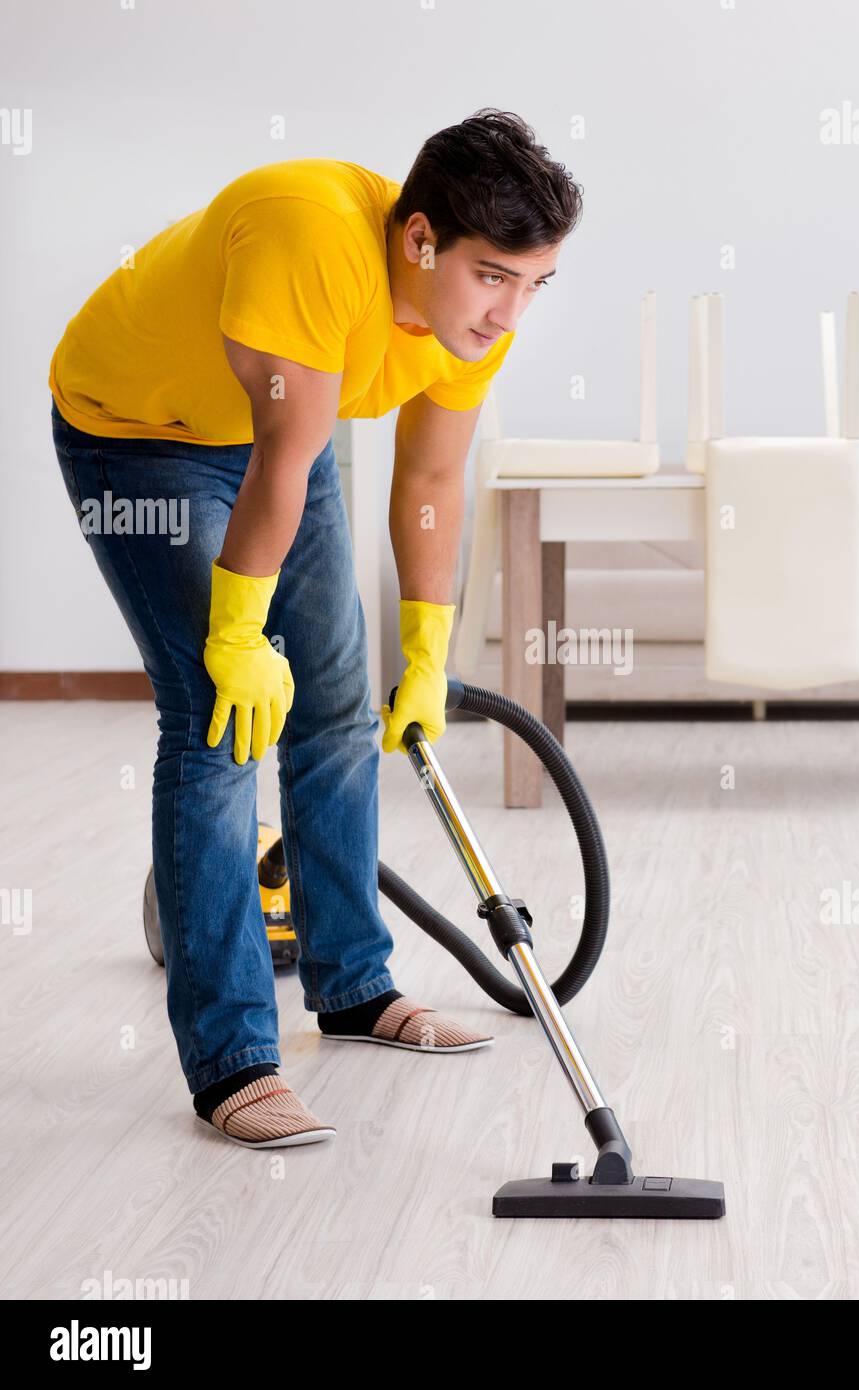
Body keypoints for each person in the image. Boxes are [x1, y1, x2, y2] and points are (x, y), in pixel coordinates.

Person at [48, 109, 583, 1148]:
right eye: (493, 277)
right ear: (421, 238)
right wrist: (241, 635)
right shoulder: (311, 235)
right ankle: (234, 1059)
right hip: (140, 434)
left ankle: (353, 985)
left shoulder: (468, 319)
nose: (511, 312)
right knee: (217, 715)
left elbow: (429, 478)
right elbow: (285, 462)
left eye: (535, 284)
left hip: (273, 443)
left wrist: (428, 651)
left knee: (338, 703)